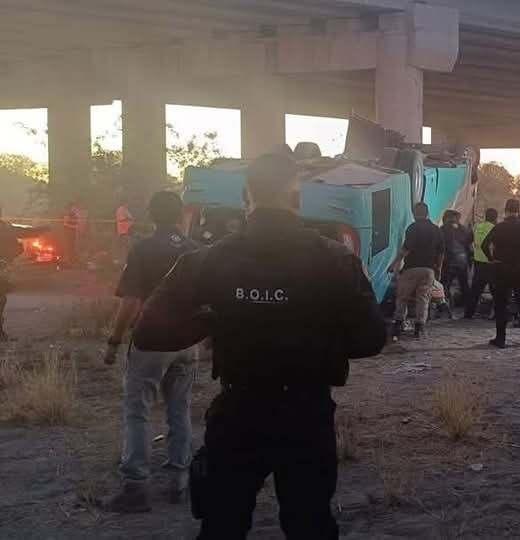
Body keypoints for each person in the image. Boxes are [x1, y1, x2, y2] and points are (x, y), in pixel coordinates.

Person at [132, 153, 386, 538]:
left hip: (238, 412)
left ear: (245, 196)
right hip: (306, 414)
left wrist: (212, 322)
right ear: (297, 198)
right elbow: (372, 338)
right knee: (311, 525)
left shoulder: (209, 260)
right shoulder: (335, 260)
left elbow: (147, 331)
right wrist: (314, 340)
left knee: (222, 525)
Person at [101, 191, 200, 513]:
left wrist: (114, 341)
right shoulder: (193, 248)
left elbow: (131, 301)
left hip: (152, 340)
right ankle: (178, 483)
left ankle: (136, 487)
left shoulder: (144, 248)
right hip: (187, 342)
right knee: (179, 410)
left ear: (151, 216)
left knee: (138, 411)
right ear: (179, 215)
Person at [481, 199, 520, 348]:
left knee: (501, 305)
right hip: (519, 269)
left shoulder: (499, 227)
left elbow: (484, 245)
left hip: (502, 269)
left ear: (506, 210)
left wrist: (492, 259)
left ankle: (501, 339)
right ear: (518, 210)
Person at [388, 202, 443, 340]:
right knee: (423, 298)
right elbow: (441, 252)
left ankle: (398, 324)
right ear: (427, 212)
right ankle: (419, 327)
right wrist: (439, 269)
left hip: (411, 268)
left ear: (414, 213)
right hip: (429, 270)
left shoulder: (412, 228)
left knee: (403, 297)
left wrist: (393, 264)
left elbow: (406, 249)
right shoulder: (436, 229)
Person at [464, 208, 498, 320]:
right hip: (491, 263)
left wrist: (473, 253)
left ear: (485, 216)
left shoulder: (477, 227)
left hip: (478, 262)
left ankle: (468, 314)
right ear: (495, 218)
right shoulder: (495, 228)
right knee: (495, 291)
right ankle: (497, 314)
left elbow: (468, 242)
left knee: (475, 290)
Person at [439, 210, 471, 310]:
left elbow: (440, 246)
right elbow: (469, 245)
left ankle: (443, 305)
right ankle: (466, 305)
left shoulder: (443, 229)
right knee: (464, 284)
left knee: (445, 284)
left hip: (448, 261)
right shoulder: (464, 229)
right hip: (462, 260)